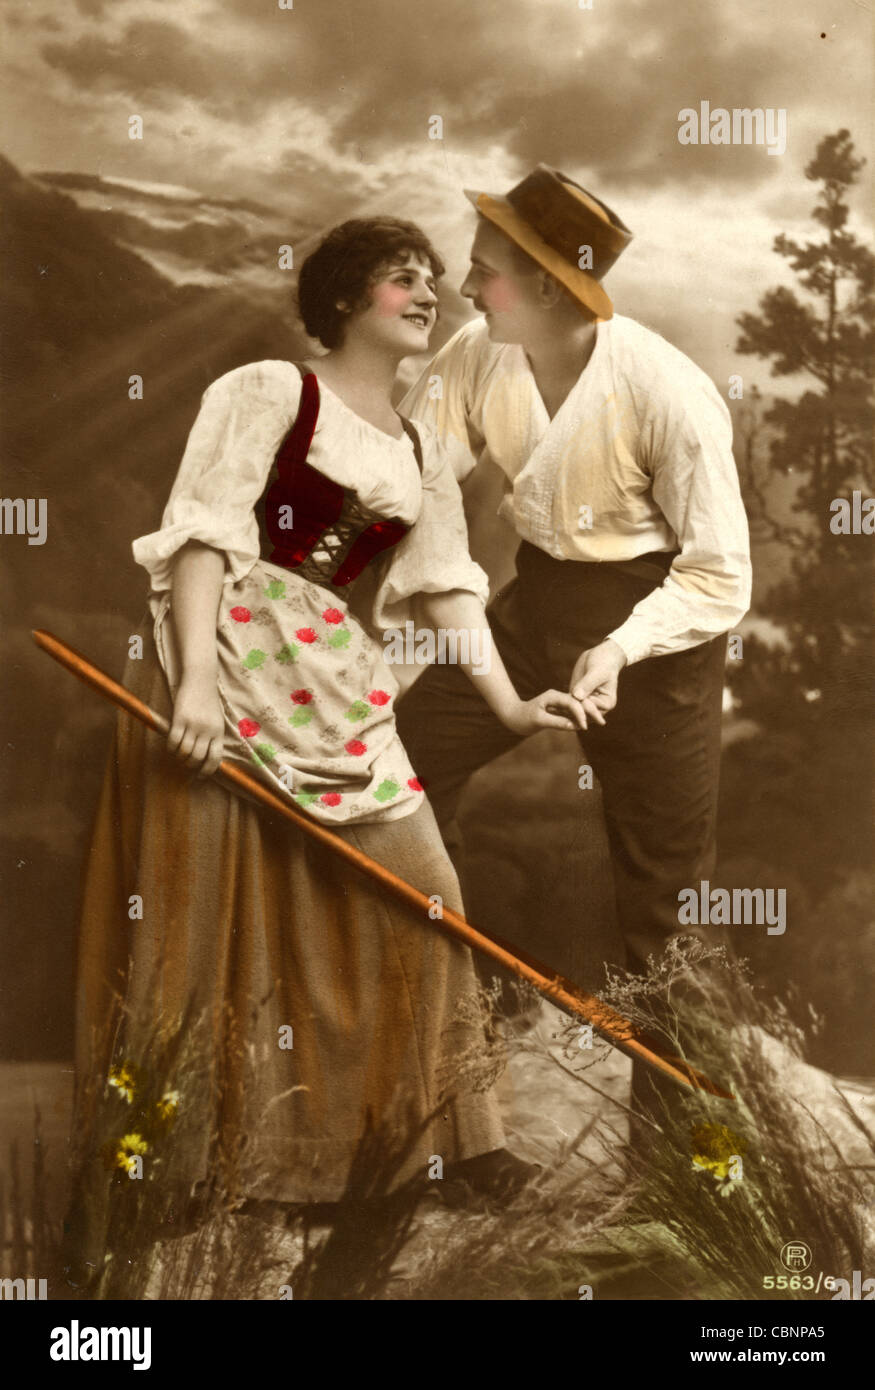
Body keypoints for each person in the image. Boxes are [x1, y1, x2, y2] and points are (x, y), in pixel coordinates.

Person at [72, 215, 590, 1235]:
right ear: (347, 296)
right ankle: (205, 1167)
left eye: (432, 279)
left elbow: (444, 588)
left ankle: (462, 1144)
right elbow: (202, 535)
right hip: (224, 651)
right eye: (402, 277)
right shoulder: (268, 390)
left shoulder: (419, 447)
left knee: (428, 893)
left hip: (330, 674)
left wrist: (508, 705)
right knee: (218, 905)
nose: (428, 294)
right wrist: (193, 685)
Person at [397, 166, 753, 1127]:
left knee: (663, 903)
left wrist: (622, 649)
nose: (463, 289)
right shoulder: (478, 355)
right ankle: (445, 1058)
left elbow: (720, 576)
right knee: (400, 771)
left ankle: (676, 1169)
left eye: (485, 272)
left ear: (550, 288)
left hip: (661, 630)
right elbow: (416, 482)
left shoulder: (666, 392)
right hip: (534, 604)